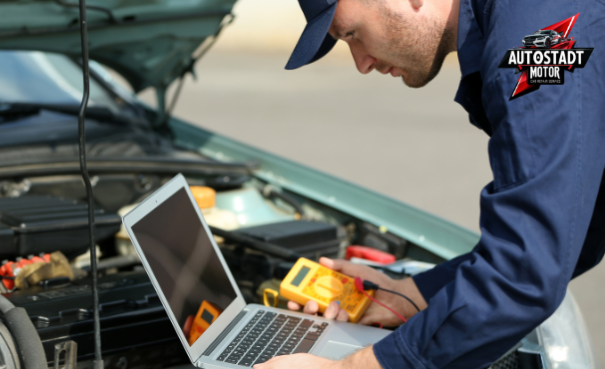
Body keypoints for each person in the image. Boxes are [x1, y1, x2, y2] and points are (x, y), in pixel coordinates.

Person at [253, 0, 605, 368]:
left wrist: (354, 367)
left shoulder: (534, 42)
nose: (361, 63)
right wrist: (411, 294)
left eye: (352, 34)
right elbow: (575, 232)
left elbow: (525, 273)